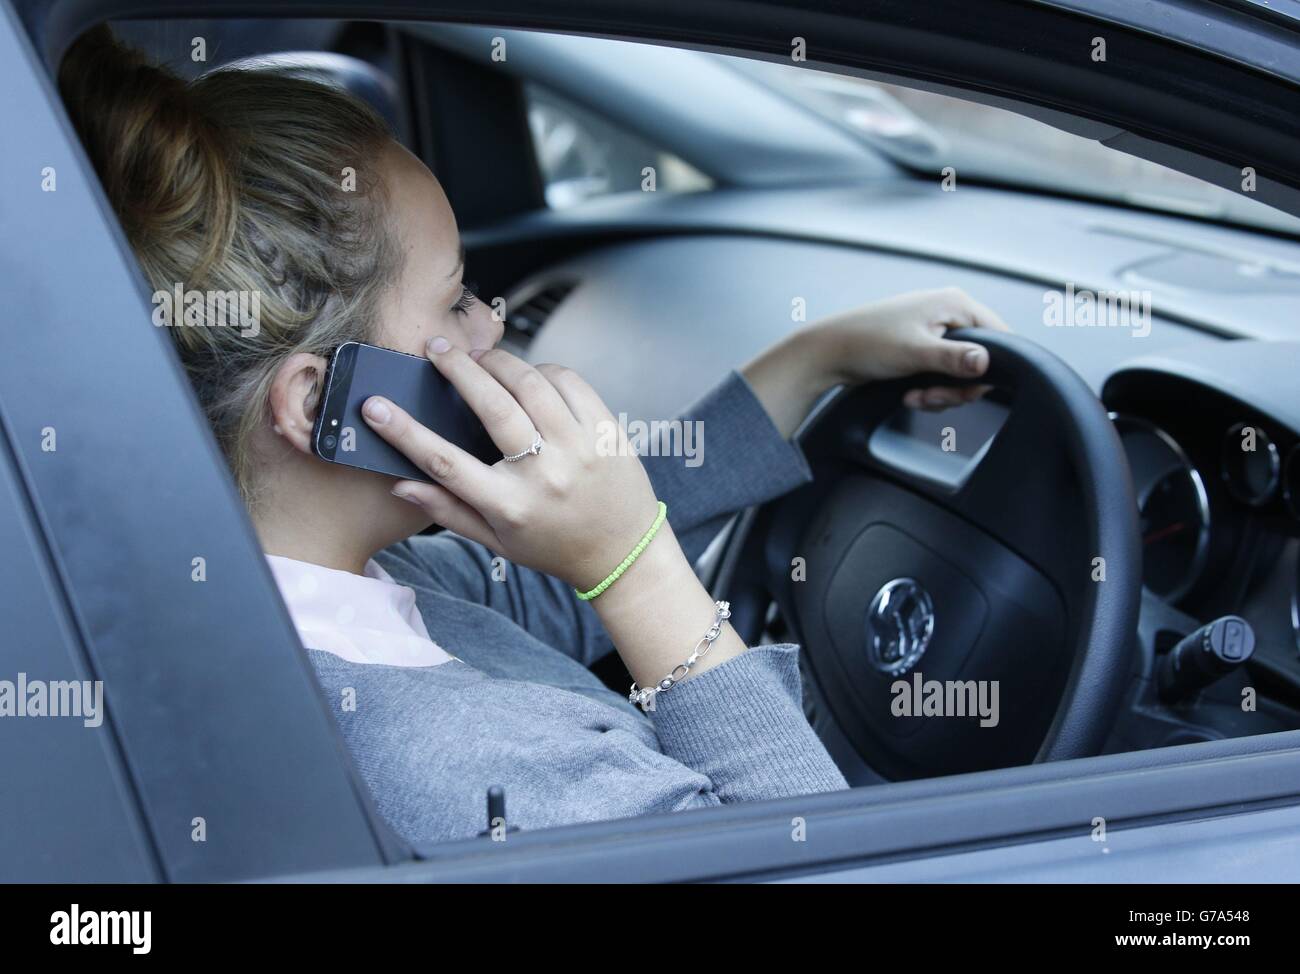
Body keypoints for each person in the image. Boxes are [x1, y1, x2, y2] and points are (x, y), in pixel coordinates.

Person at [60, 26, 1009, 843]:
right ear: (319, 405)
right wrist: (639, 572)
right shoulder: (473, 770)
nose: (492, 328)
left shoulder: (322, 591)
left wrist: (816, 360)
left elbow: (548, 593)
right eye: (456, 298)